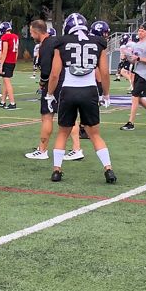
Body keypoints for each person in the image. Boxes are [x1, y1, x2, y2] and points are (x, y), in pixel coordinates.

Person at [45, 13, 115, 184]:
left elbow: (55, 74)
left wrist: (49, 94)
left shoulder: (60, 42)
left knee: (63, 132)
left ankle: (56, 170)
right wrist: (106, 93)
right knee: (95, 134)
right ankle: (108, 169)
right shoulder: (98, 42)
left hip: (68, 91)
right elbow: (105, 73)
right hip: (89, 90)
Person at [25, 20, 82, 159]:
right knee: (70, 117)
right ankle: (77, 149)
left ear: (37, 32)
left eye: (32, 33)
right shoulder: (56, 41)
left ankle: (43, 150)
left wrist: (45, 87)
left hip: (55, 84)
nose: (32, 36)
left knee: (47, 116)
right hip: (68, 82)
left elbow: (47, 72)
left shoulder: (45, 45)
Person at [119, 25, 146, 131]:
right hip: (137, 72)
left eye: (142, 31)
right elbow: (134, 61)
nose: (140, 32)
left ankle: (131, 122)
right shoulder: (136, 45)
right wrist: (127, 56)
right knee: (139, 99)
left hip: (145, 74)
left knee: (135, 96)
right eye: (139, 31)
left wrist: (139, 58)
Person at [0, 20, 19, 109]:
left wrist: (1, 65)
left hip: (7, 61)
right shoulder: (15, 37)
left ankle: (12, 102)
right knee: (5, 81)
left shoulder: (5, 37)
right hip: (12, 61)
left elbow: (4, 52)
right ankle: (3, 101)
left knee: (7, 82)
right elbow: (16, 51)